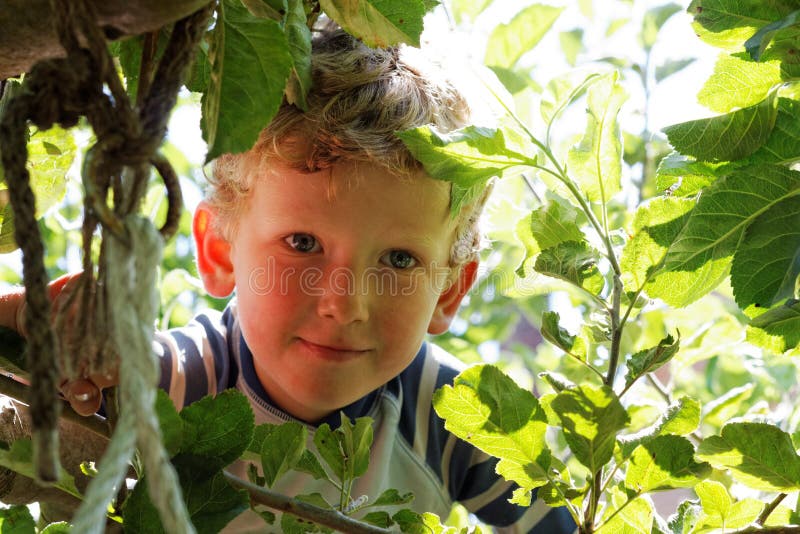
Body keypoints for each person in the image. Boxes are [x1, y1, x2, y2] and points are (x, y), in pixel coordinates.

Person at [0, 25, 576, 533]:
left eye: (399, 260)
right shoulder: (185, 383)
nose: (344, 304)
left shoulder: (450, 419)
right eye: (303, 244)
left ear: (448, 291)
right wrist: (35, 323)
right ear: (222, 250)